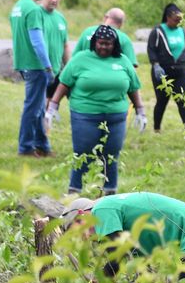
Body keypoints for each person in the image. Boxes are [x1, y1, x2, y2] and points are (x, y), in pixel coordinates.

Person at [45, 25, 146, 195]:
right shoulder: (80, 59)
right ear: (94, 43)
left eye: (108, 44)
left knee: (112, 156)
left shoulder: (123, 61)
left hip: (116, 117)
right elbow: (64, 83)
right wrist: (52, 107)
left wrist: (140, 111)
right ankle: (74, 191)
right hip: (85, 116)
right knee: (82, 154)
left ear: (115, 45)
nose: (104, 47)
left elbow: (133, 88)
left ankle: (110, 192)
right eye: (100, 43)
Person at [11, 0, 53, 157]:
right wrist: (47, 65)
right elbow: (37, 40)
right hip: (35, 65)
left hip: (22, 63)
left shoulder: (17, 7)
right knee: (33, 108)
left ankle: (42, 145)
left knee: (38, 107)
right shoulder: (34, 9)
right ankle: (26, 148)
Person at [146, 3, 185, 135]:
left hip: (180, 72)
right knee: (162, 100)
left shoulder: (182, 31)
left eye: (180, 20)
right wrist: (155, 65)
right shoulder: (157, 31)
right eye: (176, 20)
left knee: (183, 100)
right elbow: (151, 49)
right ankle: (157, 128)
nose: (179, 22)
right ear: (167, 18)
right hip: (162, 72)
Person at [73, 8, 138, 67]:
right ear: (121, 23)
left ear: (105, 17)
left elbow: (74, 58)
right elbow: (131, 66)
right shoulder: (124, 38)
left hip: (85, 74)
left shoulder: (87, 32)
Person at [41, 0, 70, 100]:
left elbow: (65, 45)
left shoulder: (61, 18)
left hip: (56, 69)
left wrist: (69, 67)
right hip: (40, 69)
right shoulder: (36, 14)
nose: (54, 0)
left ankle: (46, 118)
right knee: (38, 103)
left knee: (50, 102)